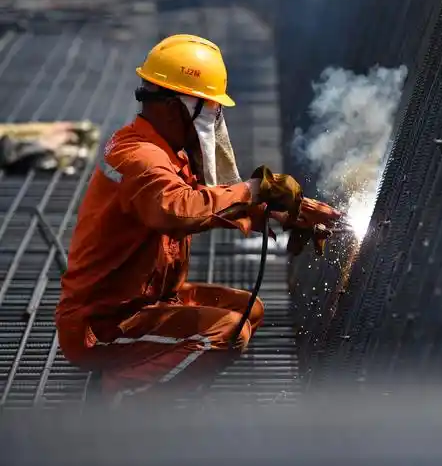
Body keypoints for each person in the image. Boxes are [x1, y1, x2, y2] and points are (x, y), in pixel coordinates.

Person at [55, 34, 336, 406]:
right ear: (177, 107)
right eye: (209, 108)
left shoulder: (166, 153)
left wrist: (287, 213)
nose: (215, 118)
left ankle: (142, 371)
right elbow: (180, 209)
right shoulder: (140, 158)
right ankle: (121, 398)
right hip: (102, 325)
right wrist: (255, 189)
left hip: (146, 302)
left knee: (247, 311)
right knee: (226, 332)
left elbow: (208, 202)